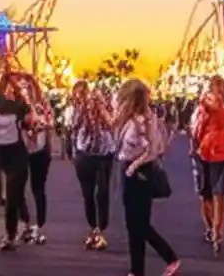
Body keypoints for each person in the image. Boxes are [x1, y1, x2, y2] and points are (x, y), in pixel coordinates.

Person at [117, 79, 181, 276]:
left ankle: (170, 258)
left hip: (139, 173)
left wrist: (134, 166)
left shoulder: (143, 121)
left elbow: (152, 150)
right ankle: (137, 270)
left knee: (140, 224)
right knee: (133, 225)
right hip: (130, 170)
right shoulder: (134, 119)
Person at [190, 75, 224, 254]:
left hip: (222, 156)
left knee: (219, 195)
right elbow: (194, 131)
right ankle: (211, 226)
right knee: (205, 195)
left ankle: (217, 232)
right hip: (202, 155)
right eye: (216, 89)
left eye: (222, 89)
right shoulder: (201, 108)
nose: (219, 93)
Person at [0, 71, 33, 251]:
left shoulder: (13, 104)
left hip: (9, 152)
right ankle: (20, 225)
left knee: (13, 190)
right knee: (15, 191)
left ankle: (13, 231)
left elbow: (31, 123)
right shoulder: (3, 103)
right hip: (6, 152)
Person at [70, 82, 118, 250]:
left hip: (104, 155)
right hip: (85, 155)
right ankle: (93, 229)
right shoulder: (79, 110)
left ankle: (101, 231)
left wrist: (101, 110)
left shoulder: (108, 110)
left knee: (102, 193)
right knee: (88, 194)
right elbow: (73, 128)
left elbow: (113, 124)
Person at [17, 76, 53, 244]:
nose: (24, 90)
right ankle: (24, 222)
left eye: (27, 87)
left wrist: (39, 124)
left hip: (39, 151)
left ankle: (40, 226)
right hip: (20, 151)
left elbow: (49, 123)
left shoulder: (42, 105)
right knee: (17, 188)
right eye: (21, 87)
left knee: (38, 188)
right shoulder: (15, 106)